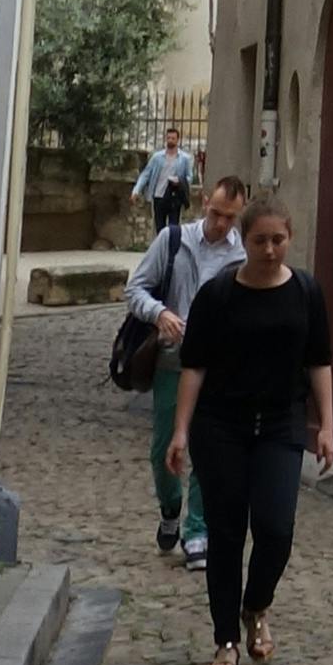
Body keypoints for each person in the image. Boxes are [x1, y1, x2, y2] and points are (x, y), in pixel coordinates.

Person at [169, 193, 333, 665]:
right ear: (244, 239)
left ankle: (256, 606)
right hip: (221, 425)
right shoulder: (218, 296)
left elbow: (319, 361)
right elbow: (193, 367)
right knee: (225, 533)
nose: (269, 250)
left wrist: (326, 425)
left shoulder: (306, 292)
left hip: (281, 425)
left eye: (277, 240)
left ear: (290, 239)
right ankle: (225, 638)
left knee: (276, 528)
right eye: (259, 240)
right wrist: (180, 431)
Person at [126, 168, 244, 563]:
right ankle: (170, 507)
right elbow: (135, 288)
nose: (222, 223)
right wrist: (160, 313)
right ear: (205, 201)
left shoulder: (240, 256)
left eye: (231, 217)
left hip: (215, 366)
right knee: (165, 447)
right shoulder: (173, 240)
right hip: (172, 361)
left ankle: (198, 529)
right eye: (217, 213)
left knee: (207, 449)